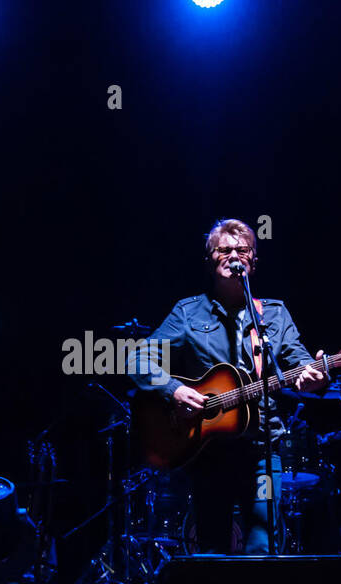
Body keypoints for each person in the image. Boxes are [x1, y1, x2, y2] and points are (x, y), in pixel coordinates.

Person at [127, 219, 329, 555]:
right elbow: (137, 360)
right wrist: (174, 390)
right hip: (208, 452)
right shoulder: (188, 312)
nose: (233, 256)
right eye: (224, 250)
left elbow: (301, 366)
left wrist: (317, 378)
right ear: (210, 261)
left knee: (262, 546)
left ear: (252, 261)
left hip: (263, 448)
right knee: (212, 549)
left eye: (242, 250)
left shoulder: (274, 315)